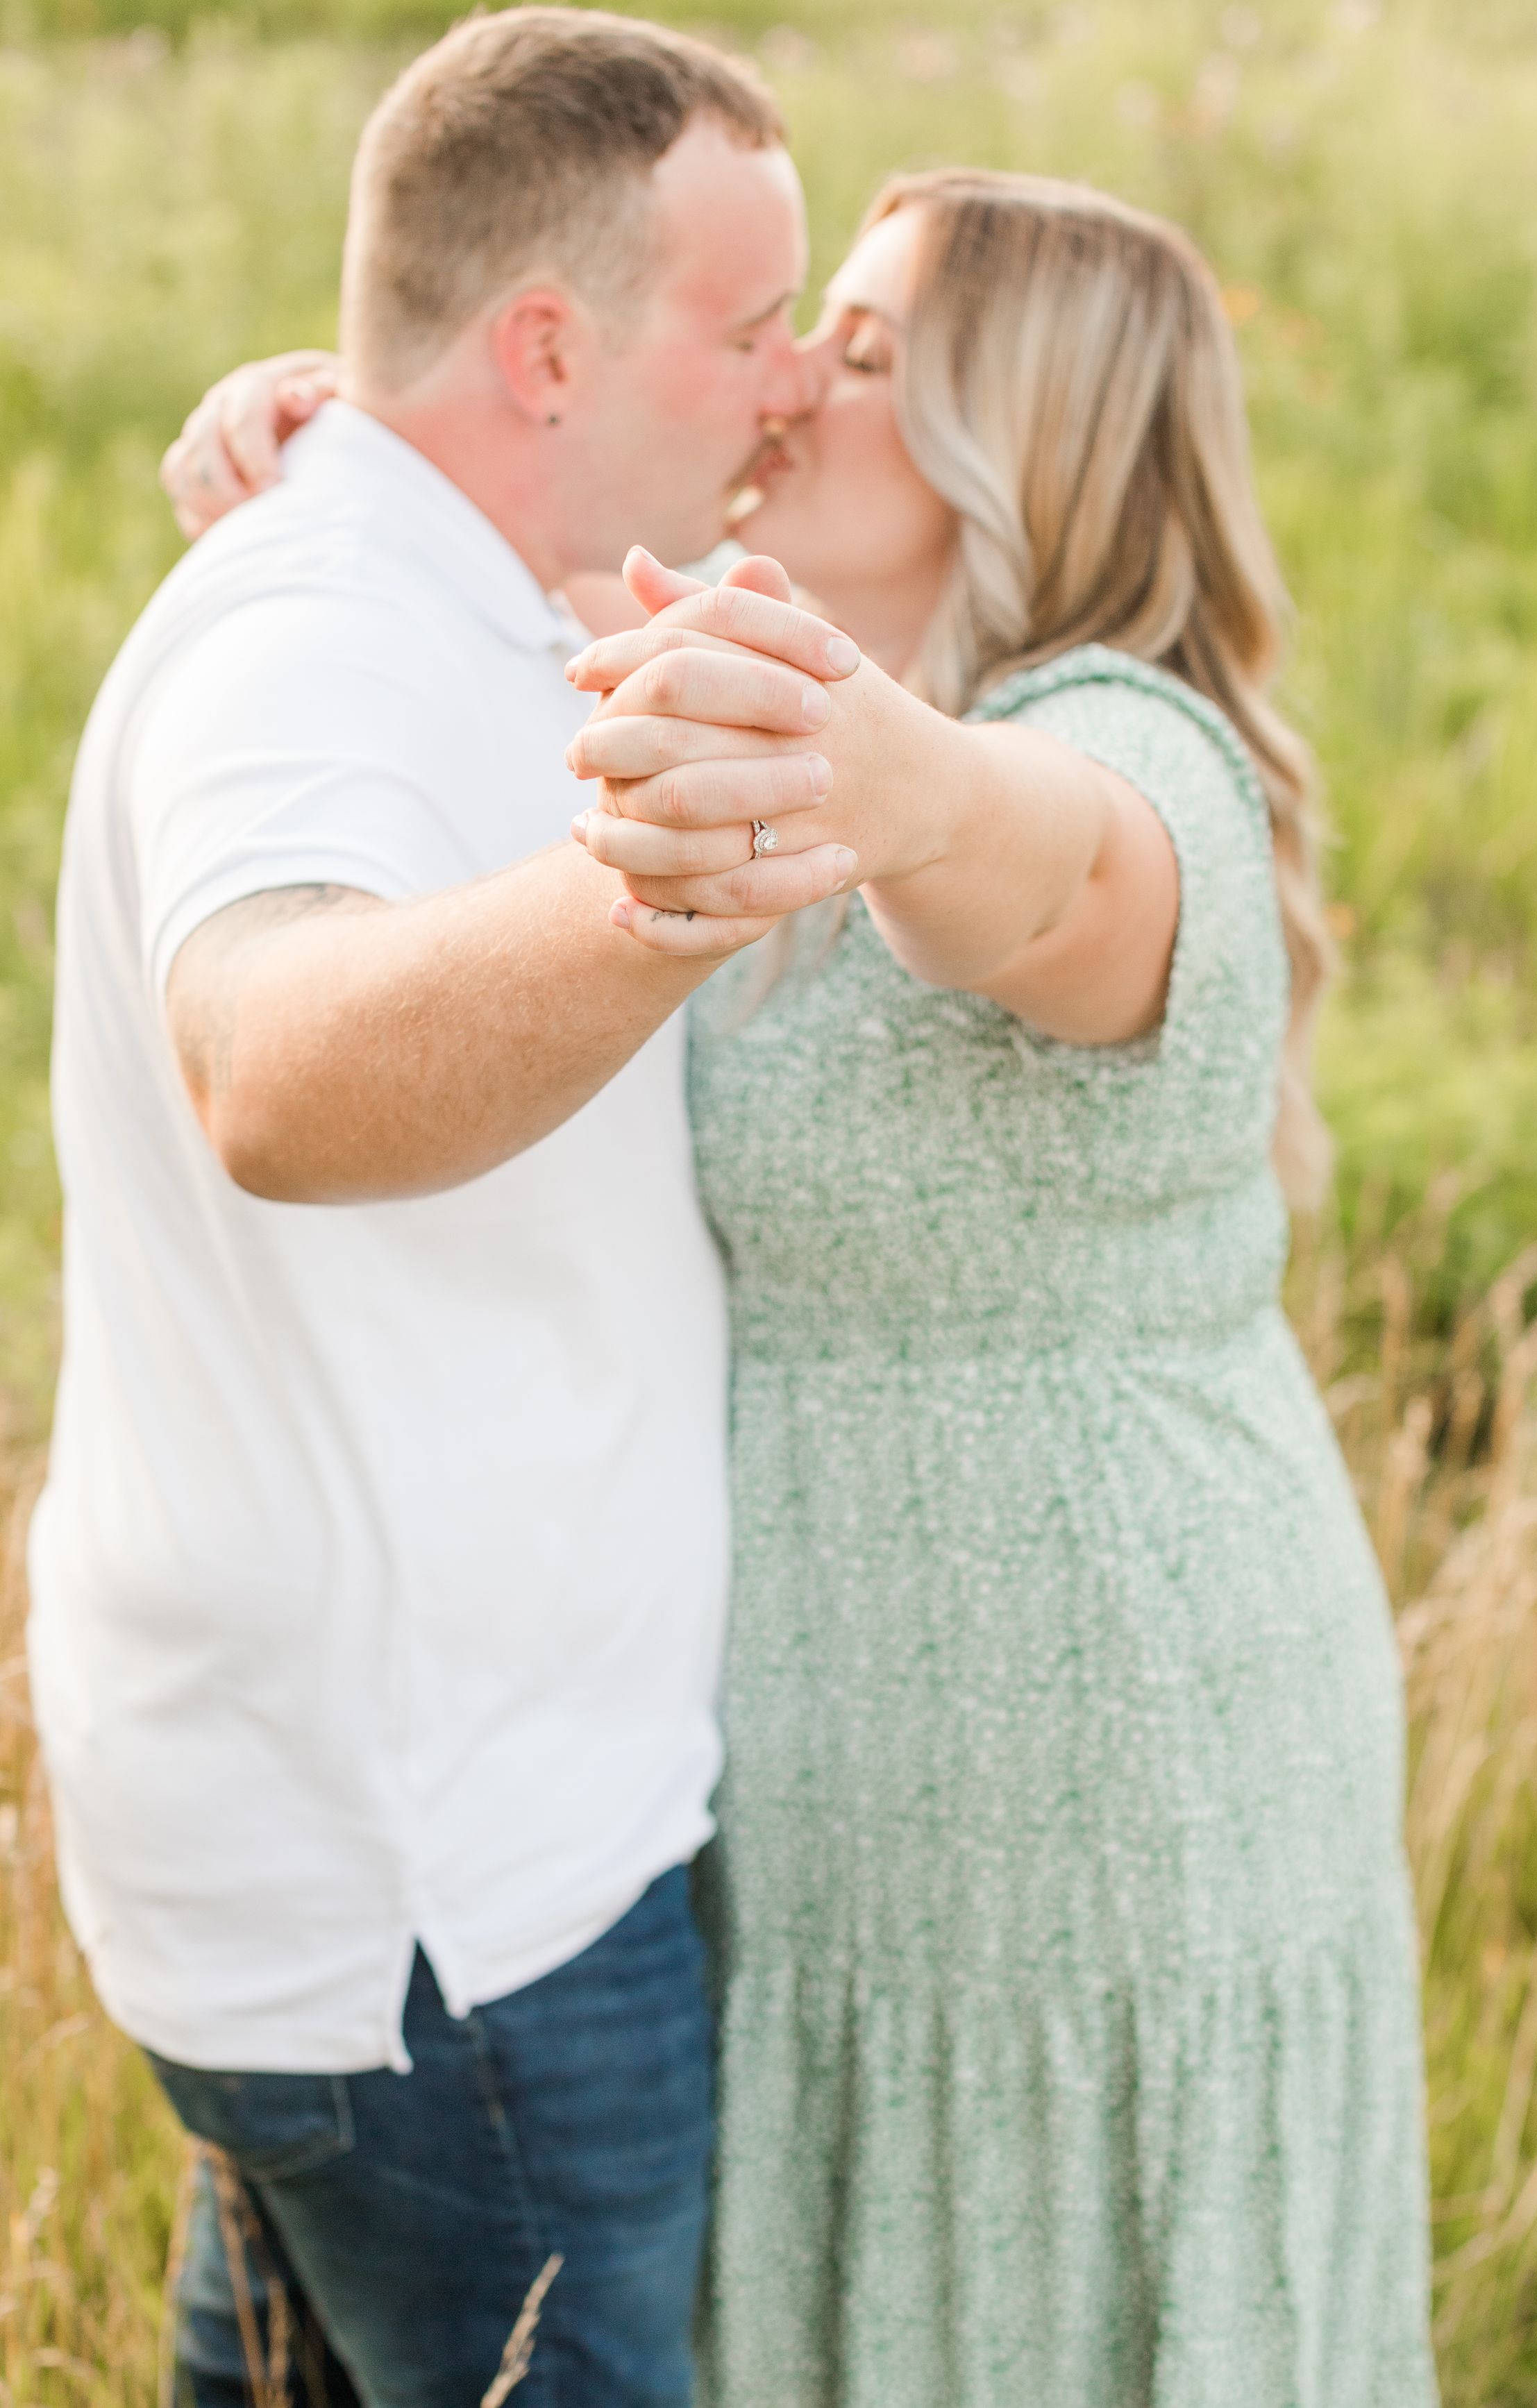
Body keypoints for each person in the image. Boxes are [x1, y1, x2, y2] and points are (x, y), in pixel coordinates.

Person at [167, 172, 1441, 2408]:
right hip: (815, 1763)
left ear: (1010, 436)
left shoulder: (1123, 762)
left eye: (855, 352)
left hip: (1101, 1767)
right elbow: (505, 536)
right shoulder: (786, 707)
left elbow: (1021, 860)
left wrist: (887, 768)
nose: (784, 387)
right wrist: (352, 445)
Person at [31, 14, 855, 2406]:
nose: (794, 380)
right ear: (545, 348)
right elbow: (273, 1071)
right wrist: (672, 888)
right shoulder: (319, 629)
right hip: (448, 1906)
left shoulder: (449, 581)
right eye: (750, 320)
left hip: (393, 1853)